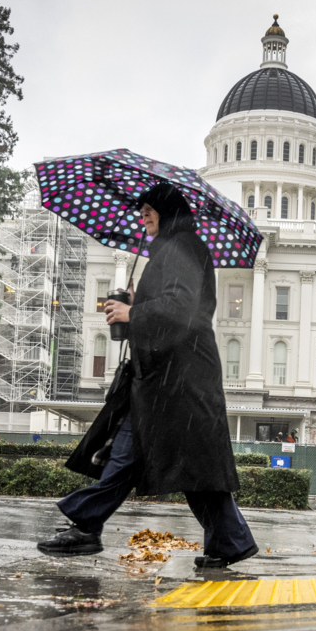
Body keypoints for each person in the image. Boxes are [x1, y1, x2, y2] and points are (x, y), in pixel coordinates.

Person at [37, 182, 258, 568]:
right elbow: (174, 304)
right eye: (141, 210)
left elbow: (183, 306)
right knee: (189, 465)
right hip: (170, 379)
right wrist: (137, 304)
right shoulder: (173, 250)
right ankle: (229, 541)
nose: (143, 215)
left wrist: (133, 313)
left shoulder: (181, 248)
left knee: (149, 456)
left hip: (175, 382)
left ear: (168, 209)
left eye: (149, 209)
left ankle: (87, 525)